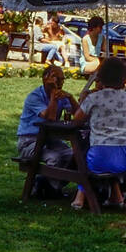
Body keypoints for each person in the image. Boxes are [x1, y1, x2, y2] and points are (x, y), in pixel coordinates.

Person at [70, 57, 126, 210]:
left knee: (82, 151)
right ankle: (116, 197)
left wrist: (84, 99)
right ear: (124, 79)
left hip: (102, 156)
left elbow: (76, 120)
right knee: (109, 158)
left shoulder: (95, 98)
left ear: (101, 76)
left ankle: (80, 197)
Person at [16, 64, 78, 198]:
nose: (60, 82)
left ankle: (46, 184)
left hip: (50, 139)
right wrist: (53, 97)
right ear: (45, 79)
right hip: (29, 141)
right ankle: (52, 190)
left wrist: (71, 98)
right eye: (56, 78)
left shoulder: (60, 95)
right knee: (54, 158)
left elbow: (77, 113)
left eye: (62, 79)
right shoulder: (34, 97)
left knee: (74, 155)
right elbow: (49, 117)